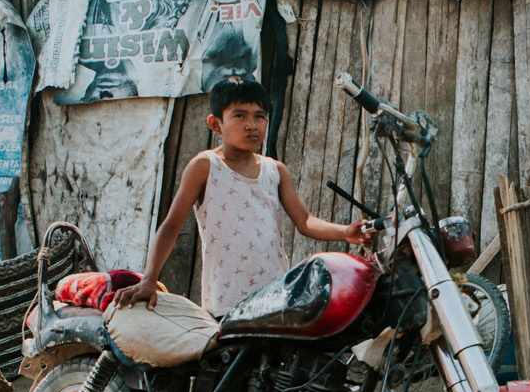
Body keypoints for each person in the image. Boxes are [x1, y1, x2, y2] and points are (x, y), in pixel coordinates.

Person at [114, 77, 372, 316]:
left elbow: (304, 222)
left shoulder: (275, 170)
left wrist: (346, 232)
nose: (252, 125)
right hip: (227, 299)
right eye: (240, 116)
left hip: (276, 295)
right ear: (216, 124)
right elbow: (171, 225)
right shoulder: (205, 166)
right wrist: (149, 279)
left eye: (260, 117)